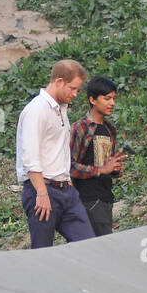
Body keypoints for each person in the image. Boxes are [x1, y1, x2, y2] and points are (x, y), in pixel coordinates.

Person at [16, 59, 96, 248]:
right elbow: (30, 156)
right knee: (42, 252)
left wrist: (67, 180)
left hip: (65, 191)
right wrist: (42, 193)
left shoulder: (61, 109)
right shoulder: (36, 110)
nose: (75, 94)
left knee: (88, 245)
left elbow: (58, 148)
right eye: (72, 88)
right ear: (59, 81)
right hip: (42, 190)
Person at [69, 76, 126, 237]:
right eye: (107, 98)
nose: (112, 103)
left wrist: (114, 168)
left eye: (114, 98)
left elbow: (105, 166)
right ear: (92, 100)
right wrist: (101, 169)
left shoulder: (110, 129)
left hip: (106, 197)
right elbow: (69, 166)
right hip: (87, 199)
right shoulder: (81, 128)